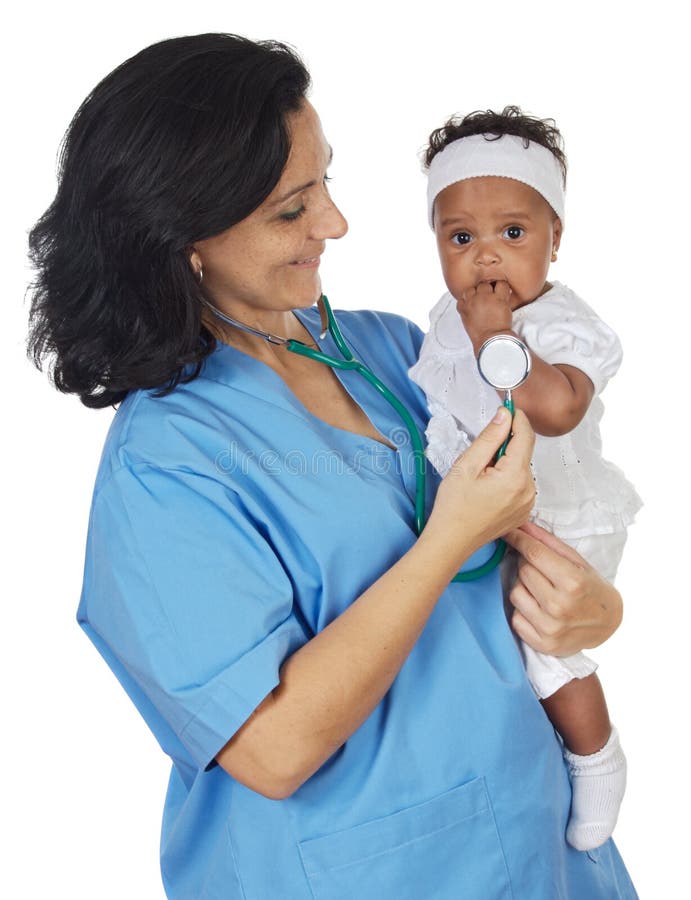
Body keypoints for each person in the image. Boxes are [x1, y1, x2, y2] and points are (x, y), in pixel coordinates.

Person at [27, 34, 638, 899]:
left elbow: (540, 537)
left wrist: (590, 610)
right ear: (183, 237)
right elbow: (271, 752)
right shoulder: (168, 464)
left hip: (539, 845)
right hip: (365, 871)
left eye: (326, 183)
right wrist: (446, 538)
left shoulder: (398, 351)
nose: (335, 224)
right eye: (291, 209)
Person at [409, 107, 642, 852]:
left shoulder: (560, 323)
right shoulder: (445, 320)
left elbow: (557, 407)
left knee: (541, 640)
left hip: (558, 518)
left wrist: (496, 338)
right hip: (487, 515)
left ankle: (596, 755)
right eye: (460, 237)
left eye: (512, 233)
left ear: (555, 240)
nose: (485, 258)